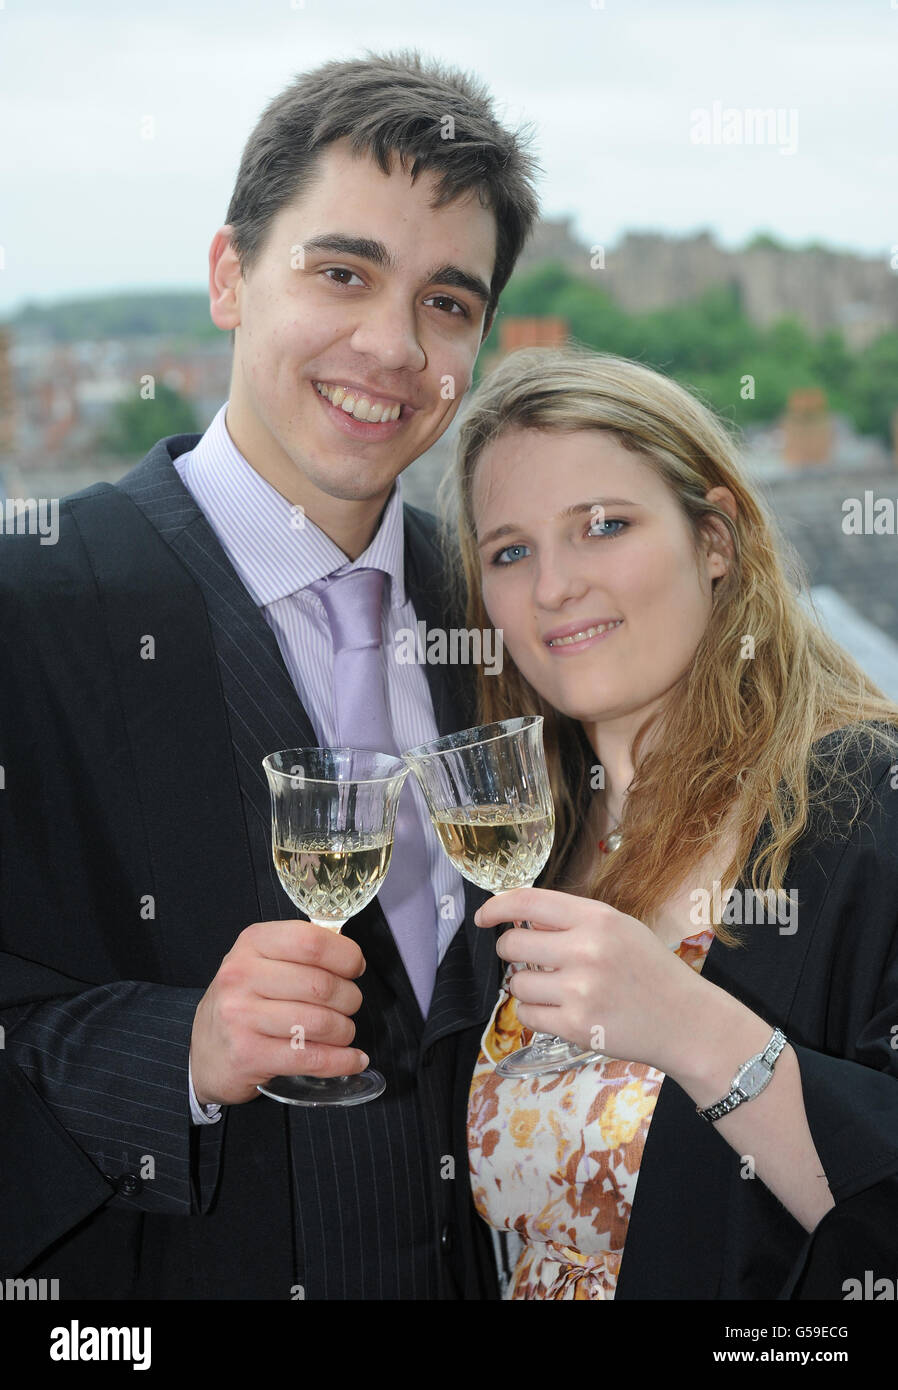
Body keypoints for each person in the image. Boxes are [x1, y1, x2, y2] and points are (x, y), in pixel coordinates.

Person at [0, 51, 541, 1299]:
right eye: (342, 272)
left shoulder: (511, 618)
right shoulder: (31, 610)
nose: (393, 346)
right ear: (229, 274)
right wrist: (175, 1047)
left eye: (448, 302)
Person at [442, 343, 898, 1299]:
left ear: (715, 537)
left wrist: (694, 1030)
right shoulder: (530, 844)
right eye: (511, 551)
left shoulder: (863, 800)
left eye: (603, 526)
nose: (554, 586)